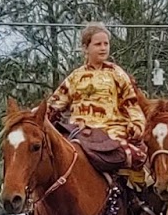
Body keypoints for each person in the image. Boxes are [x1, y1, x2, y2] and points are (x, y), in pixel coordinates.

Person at [47, 23, 148, 170]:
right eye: (98, 44)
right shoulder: (75, 76)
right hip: (79, 132)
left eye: (106, 44)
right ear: (85, 48)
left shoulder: (116, 73)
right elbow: (55, 103)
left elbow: (131, 104)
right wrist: (36, 116)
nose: (103, 48)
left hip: (111, 132)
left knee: (131, 156)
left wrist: (137, 125)